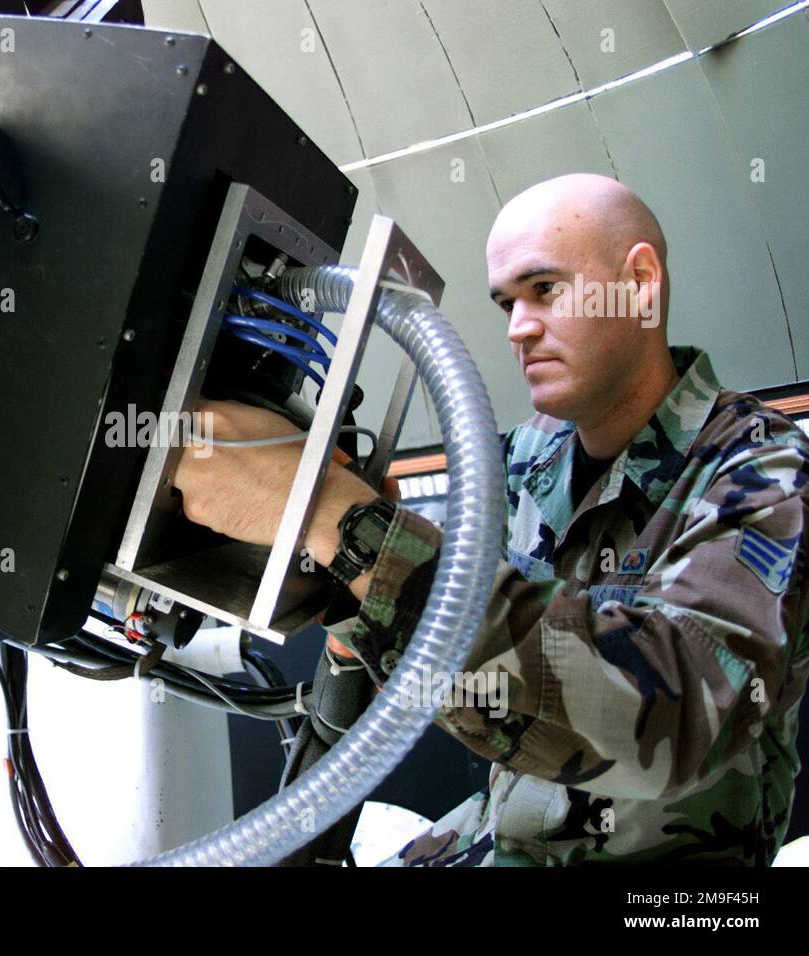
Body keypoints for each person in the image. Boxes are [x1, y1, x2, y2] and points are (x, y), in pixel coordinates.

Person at [173, 173, 809, 865]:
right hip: (506, 836)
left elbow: (676, 713)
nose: (518, 329)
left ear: (641, 282)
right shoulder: (523, 458)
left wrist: (338, 518)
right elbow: (420, 645)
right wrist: (342, 578)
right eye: (506, 303)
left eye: (545, 290)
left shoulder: (764, 473)